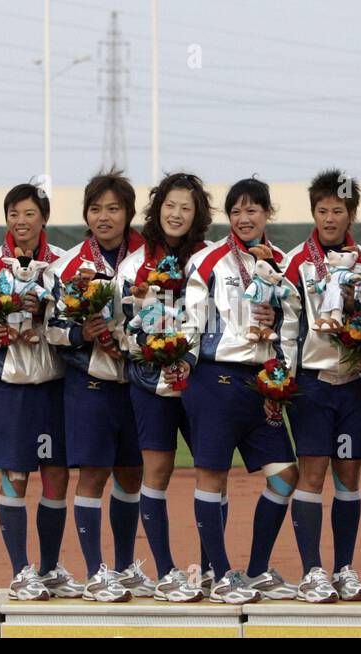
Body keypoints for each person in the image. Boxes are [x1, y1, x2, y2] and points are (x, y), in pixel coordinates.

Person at [181, 177, 301, 604]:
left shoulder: (283, 264)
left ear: (268, 213)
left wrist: (282, 373)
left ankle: (255, 571)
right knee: (212, 476)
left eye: (252, 210)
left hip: (261, 387)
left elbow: (291, 327)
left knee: (286, 476)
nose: (244, 218)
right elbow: (190, 323)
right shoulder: (210, 260)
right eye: (235, 211)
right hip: (215, 380)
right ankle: (218, 574)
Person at [0, 183, 76, 600]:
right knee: (15, 475)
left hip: (55, 385)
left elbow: (76, 317)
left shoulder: (64, 264)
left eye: (29, 213)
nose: (21, 221)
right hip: (11, 385)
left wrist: (46, 312)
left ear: (43, 217)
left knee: (56, 477)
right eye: (14, 214)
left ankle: (48, 569)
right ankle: (20, 570)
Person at [45, 170, 149, 602]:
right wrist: (81, 335)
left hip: (138, 384)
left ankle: (124, 567)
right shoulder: (68, 265)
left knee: (132, 474)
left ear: (127, 213)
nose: (103, 217)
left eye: (113, 208)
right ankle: (95, 572)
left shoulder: (148, 259)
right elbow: (52, 329)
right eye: (95, 209)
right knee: (92, 475)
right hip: (89, 384)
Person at [281, 169, 361, 602]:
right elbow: (282, 324)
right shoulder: (293, 263)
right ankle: (312, 572)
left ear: (352, 213)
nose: (328, 218)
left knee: (348, 475)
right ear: (313, 212)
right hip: (311, 385)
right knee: (313, 473)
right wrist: (282, 377)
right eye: (322, 210)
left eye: (337, 210)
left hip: (354, 385)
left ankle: (344, 568)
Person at [114, 172, 212, 602]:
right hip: (149, 384)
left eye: (186, 208)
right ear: (157, 210)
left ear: (198, 216)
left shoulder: (209, 260)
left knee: (211, 471)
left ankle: (214, 569)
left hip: (200, 384)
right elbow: (120, 326)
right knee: (156, 473)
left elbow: (216, 322)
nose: (177, 214)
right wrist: (149, 352)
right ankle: (167, 571)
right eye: (170, 205)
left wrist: (188, 358)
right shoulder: (134, 264)